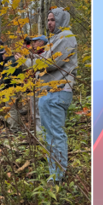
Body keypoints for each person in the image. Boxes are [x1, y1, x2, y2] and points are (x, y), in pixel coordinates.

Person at [26, 10, 77, 184]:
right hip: (48, 92)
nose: (49, 23)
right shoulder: (56, 38)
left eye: (53, 20)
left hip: (58, 92)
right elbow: (45, 59)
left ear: (61, 20)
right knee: (49, 134)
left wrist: (26, 62)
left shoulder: (66, 37)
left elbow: (51, 63)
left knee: (55, 134)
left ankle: (58, 177)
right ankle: (53, 173)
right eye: (48, 20)